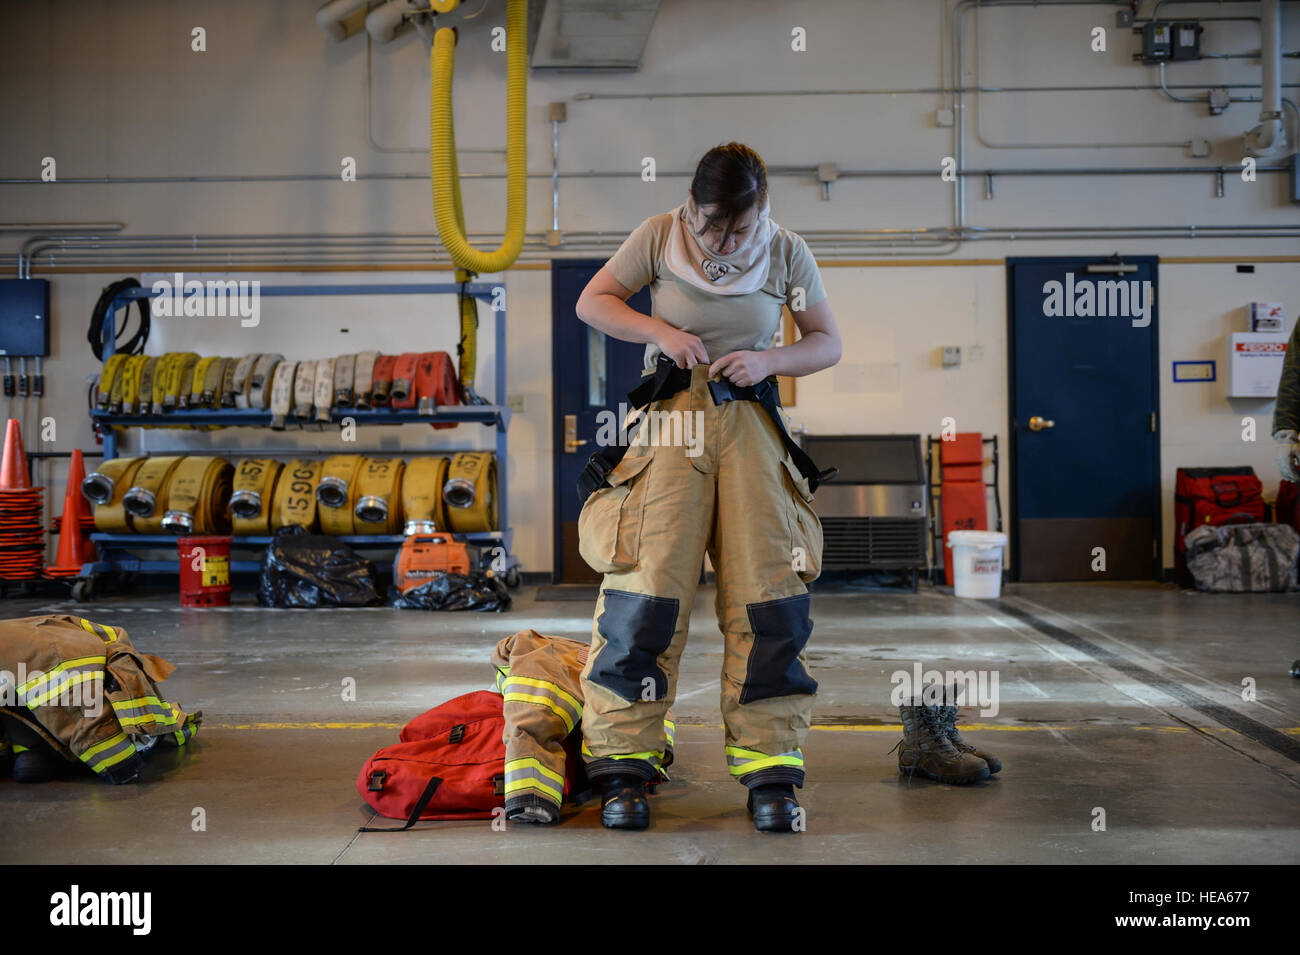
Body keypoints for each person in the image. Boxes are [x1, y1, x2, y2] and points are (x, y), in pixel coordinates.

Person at [573, 142, 841, 832]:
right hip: (672, 422)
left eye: (739, 228)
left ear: (760, 212)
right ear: (694, 207)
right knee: (647, 590)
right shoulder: (659, 235)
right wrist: (660, 329)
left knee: (767, 595)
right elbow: (593, 300)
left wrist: (770, 358)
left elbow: (826, 341)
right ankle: (625, 766)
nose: (725, 241)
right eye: (714, 225)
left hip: (750, 421)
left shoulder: (785, 252)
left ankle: (770, 770)